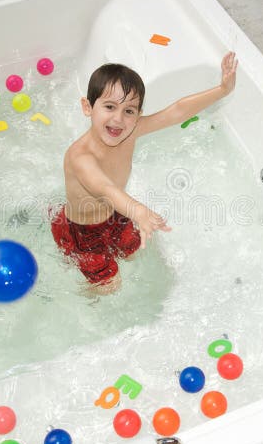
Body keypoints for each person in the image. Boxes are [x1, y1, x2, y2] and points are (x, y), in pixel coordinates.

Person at [51, 52, 238, 286]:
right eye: (109, 107)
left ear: (138, 115)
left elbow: (176, 111)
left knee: (136, 251)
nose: (118, 119)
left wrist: (223, 89)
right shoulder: (80, 156)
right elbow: (106, 189)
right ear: (88, 107)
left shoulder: (132, 131)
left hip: (116, 215)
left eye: (129, 111)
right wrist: (138, 211)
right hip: (83, 231)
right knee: (109, 287)